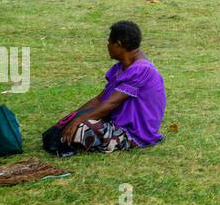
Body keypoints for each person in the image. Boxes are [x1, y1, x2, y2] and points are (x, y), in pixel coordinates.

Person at [51, 21, 167, 153]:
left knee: (81, 130)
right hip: (114, 123)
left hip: (132, 133)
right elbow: (99, 100)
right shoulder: (122, 67)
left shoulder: (141, 70)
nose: (107, 46)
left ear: (118, 44)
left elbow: (111, 104)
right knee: (67, 124)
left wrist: (79, 121)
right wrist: (74, 116)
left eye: (109, 42)